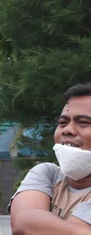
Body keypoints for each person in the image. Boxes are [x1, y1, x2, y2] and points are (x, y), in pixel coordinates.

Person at [10, 83, 91, 234]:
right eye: (62, 123)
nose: (67, 130)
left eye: (83, 122)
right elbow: (23, 222)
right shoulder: (48, 174)